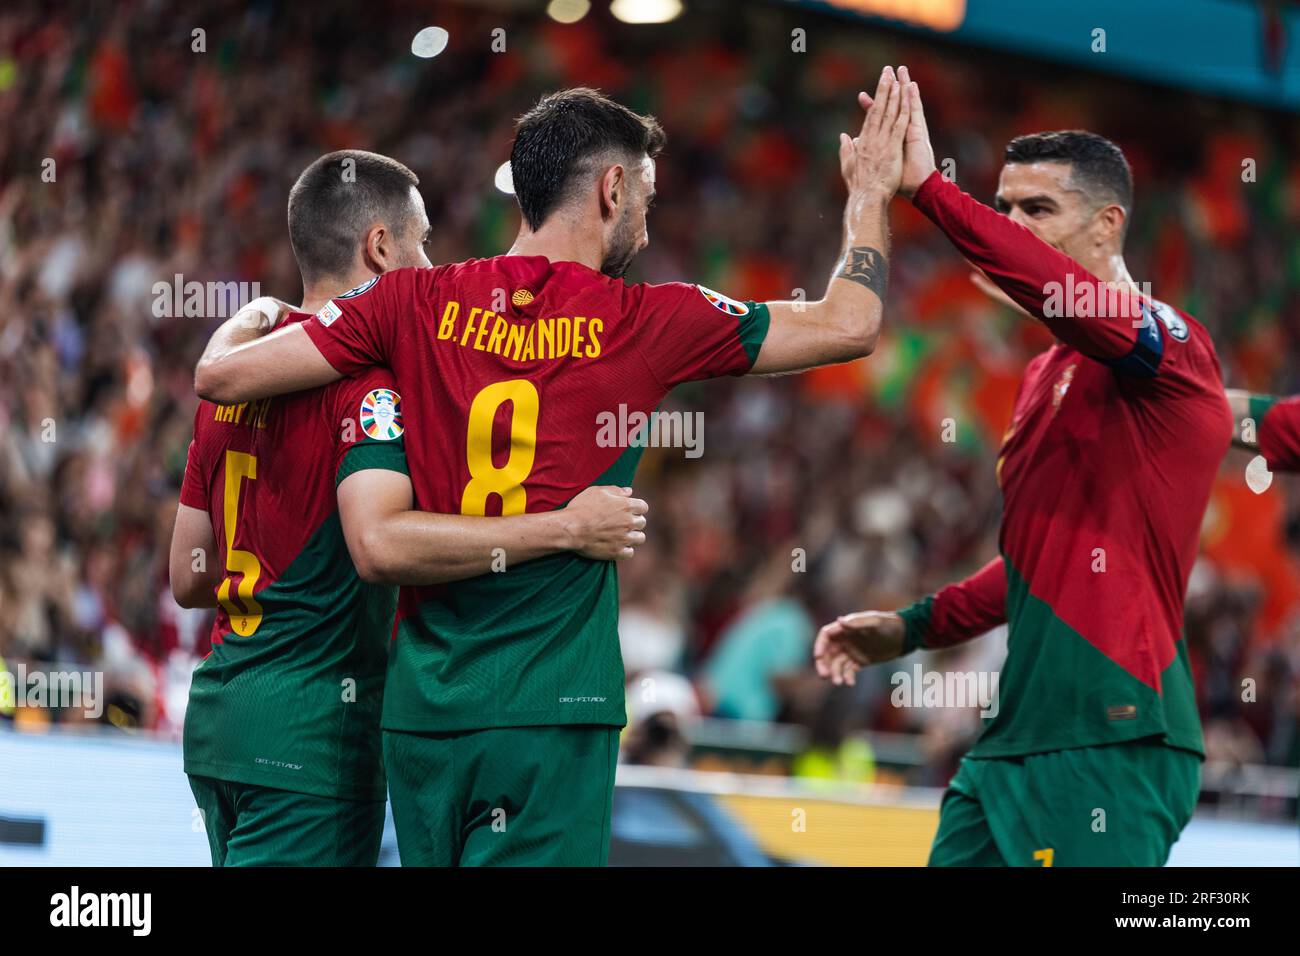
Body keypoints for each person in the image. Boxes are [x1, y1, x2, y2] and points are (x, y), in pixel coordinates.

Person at [190, 68, 912, 865]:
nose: (647, 212)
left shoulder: (410, 305)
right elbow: (851, 324)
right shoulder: (650, 319)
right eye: (646, 191)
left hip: (424, 716)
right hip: (550, 711)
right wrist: (870, 195)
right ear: (611, 189)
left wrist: (250, 316)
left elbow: (224, 380)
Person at [170, 149, 648, 866]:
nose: (432, 266)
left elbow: (187, 577)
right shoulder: (372, 392)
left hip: (222, 719)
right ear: (381, 247)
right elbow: (381, 544)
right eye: (422, 243)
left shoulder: (238, 379)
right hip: (313, 733)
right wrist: (567, 526)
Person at [814, 69, 1231, 866]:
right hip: (1012, 741)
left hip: (1115, 732)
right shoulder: (1044, 375)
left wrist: (931, 190)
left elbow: (1067, 298)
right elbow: (1036, 565)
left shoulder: (1171, 346)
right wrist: (909, 627)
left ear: (1108, 228)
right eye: (1003, 206)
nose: (1013, 224)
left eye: (1037, 209)